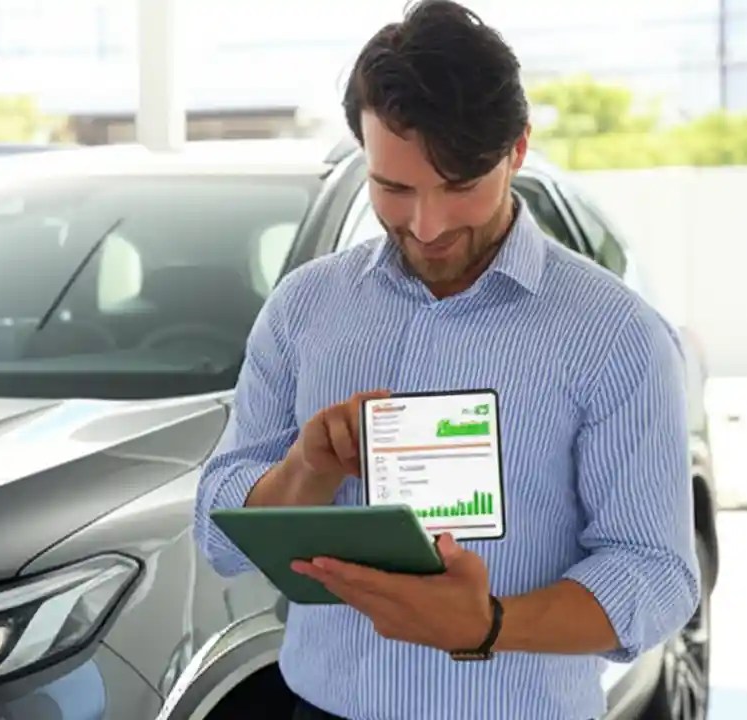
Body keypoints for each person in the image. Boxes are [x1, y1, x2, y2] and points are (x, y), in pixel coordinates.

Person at [193, 1, 701, 718]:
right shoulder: (304, 310)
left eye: (460, 186)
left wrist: (489, 625)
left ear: (517, 150)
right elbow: (218, 535)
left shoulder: (616, 335)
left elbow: (656, 574)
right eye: (394, 188)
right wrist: (306, 469)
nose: (427, 226)